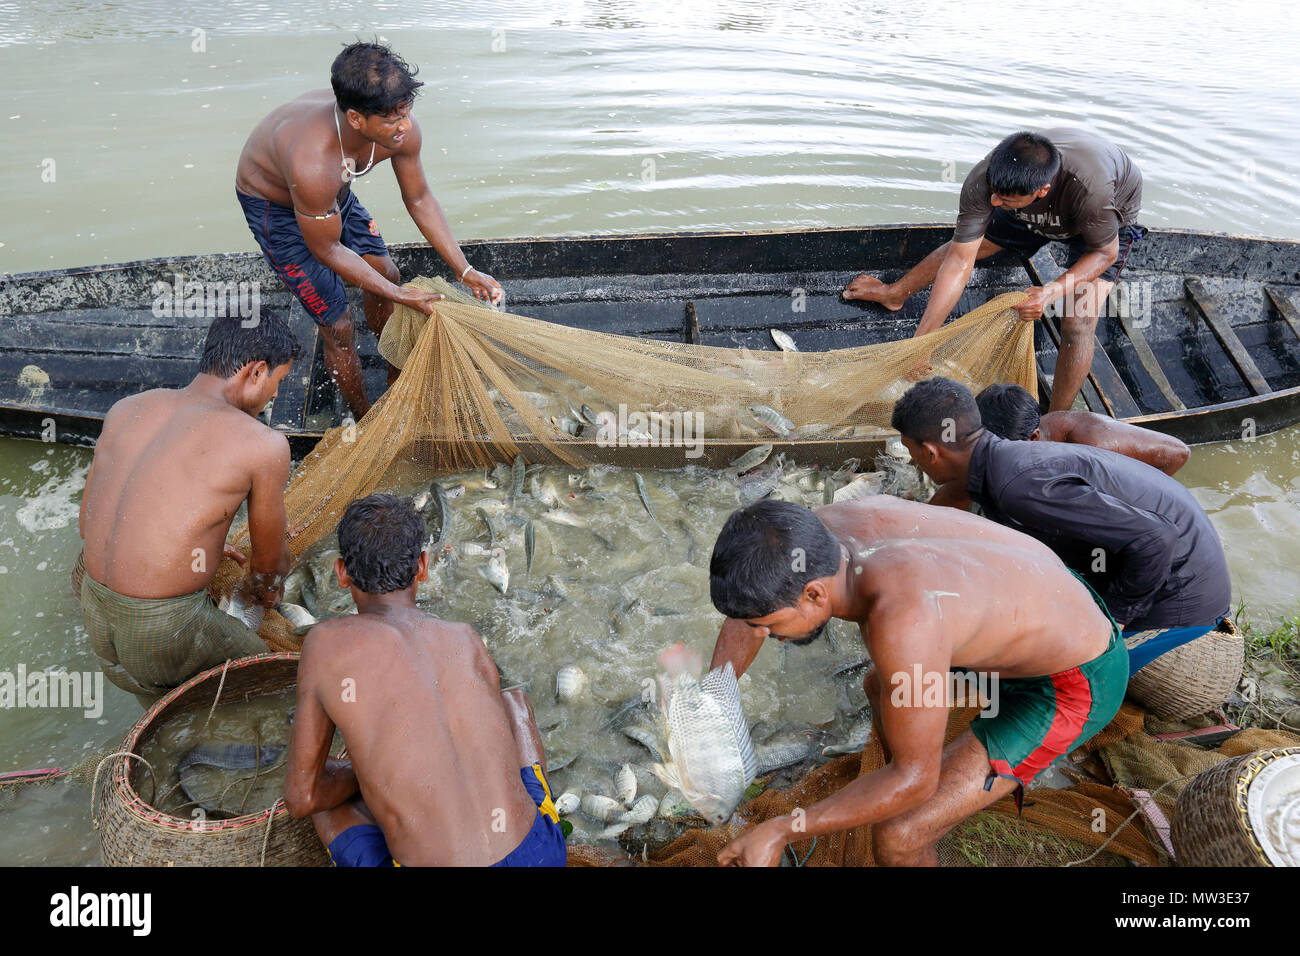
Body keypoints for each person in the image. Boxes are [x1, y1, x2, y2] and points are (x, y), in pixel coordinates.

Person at [707, 498, 1127, 866]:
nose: (761, 634)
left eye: (767, 626)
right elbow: (751, 600)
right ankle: (915, 789)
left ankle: (916, 807)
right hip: (1036, 597)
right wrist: (713, 698)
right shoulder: (808, 535)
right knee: (879, 686)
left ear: (815, 595)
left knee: (900, 835)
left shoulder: (903, 623)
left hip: (1072, 683)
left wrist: (782, 830)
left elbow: (916, 779)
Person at [284, 494, 566, 867]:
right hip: (539, 855)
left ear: (341, 573)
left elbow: (301, 797)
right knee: (513, 701)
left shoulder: (323, 644)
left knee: (324, 805)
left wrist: (364, 775)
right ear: (422, 566)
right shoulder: (464, 636)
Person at [235, 41, 504, 419]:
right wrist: (398, 295)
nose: (405, 125)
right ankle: (364, 417)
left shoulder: (398, 129)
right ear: (357, 120)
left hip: (334, 189)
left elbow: (421, 199)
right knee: (339, 326)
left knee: (386, 273)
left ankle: (394, 372)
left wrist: (465, 270)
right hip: (275, 207)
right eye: (392, 119)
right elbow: (326, 250)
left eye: (406, 110)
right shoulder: (314, 162)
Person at [892, 378, 1233, 672]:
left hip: (1182, 603)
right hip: (1156, 563)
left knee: (1026, 678)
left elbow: (1157, 538)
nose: (913, 462)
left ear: (931, 452)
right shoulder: (999, 461)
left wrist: (1112, 621)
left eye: (912, 452)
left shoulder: (1019, 484)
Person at [76, 316, 301, 703]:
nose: (275, 396)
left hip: (93, 606)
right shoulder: (264, 445)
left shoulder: (127, 407)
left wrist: (198, 550)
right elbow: (267, 567)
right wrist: (261, 589)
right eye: (278, 383)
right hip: (162, 631)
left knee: (164, 700)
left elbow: (87, 522)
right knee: (280, 682)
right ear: (257, 371)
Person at [844, 129, 1144, 411]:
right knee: (963, 246)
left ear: (1042, 191)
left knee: (1078, 322)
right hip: (1030, 210)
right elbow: (961, 259)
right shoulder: (988, 182)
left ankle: (1056, 420)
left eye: (1003, 200)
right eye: (994, 195)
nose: (993, 203)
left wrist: (1050, 291)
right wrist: (923, 343)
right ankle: (894, 293)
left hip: (1100, 229)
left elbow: (1105, 252)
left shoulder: (1091, 191)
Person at [929, 382, 1190, 509]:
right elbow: (957, 492)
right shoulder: (1002, 448)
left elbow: (1179, 452)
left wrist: (1126, 494)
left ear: (1032, 439)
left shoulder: (1092, 443)